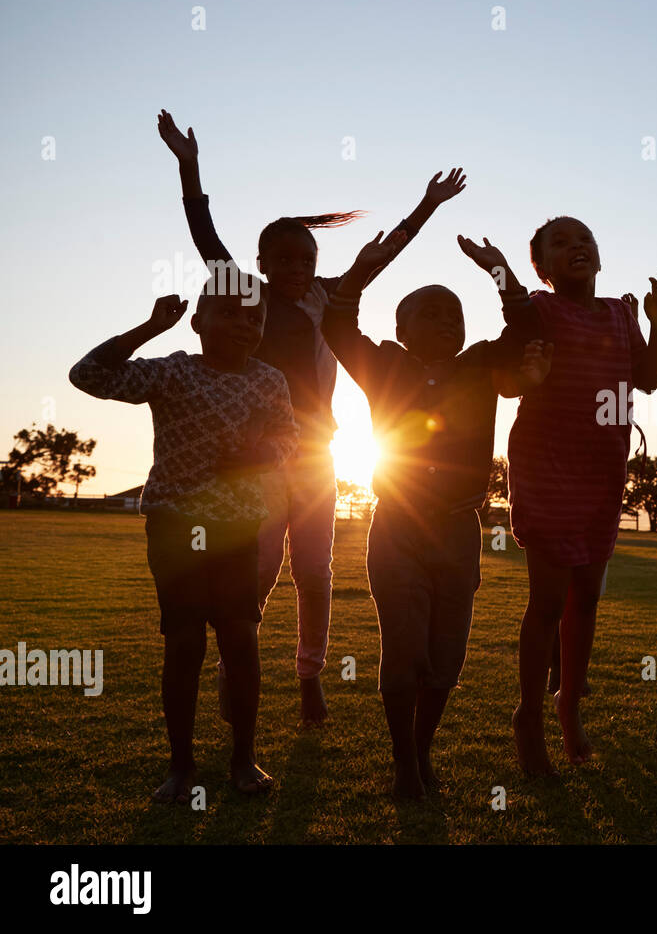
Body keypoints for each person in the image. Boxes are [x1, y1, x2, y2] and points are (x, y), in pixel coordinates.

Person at [156, 108, 464, 724]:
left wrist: (427, 205)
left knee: (316, 575)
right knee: (260, 574)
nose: (298, 269)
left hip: (318, 455)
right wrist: (189, 169)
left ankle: (309, 675)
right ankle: (231, 669)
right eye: (286, 260)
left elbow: (385, 257)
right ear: (264, 263)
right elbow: (205, 240)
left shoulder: (330, 297)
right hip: (259, 462)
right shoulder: (251, 299)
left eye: (306, 258)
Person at [321, 229, 551, 798]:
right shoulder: (382, 365)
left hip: (457, 530)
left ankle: (421, 753)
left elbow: (526, 330)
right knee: (403, 651)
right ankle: (404, 762)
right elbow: (335, 325)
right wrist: (363, 270)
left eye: (455, 313)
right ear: (401, 329)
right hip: (397, 526)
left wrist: (499, 270)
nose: (448, 319)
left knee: (445, 658)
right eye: (431, 312)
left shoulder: (479, 366)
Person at [458, 223, 657, 775]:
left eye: (584, 239)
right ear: (542, 270)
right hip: (548, 465)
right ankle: (528, 715)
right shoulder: (539, 308)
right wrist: (498, 269)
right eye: (559, 244)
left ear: (599, 255)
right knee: (549, 602)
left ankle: (568, 706)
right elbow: (515, 336)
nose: (576, 246)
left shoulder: (621, 314)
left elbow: (646, 379)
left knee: (587, 600)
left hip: (604, 471)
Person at [69, 289, 297, 801]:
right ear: (197, 322)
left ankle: (243, 759)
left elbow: (290, 437)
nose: (244, 324)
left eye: (255, 317)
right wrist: (149, 329)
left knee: (241, 641)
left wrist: (262, 455)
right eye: (230, 314)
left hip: (238, 528)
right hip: (176, 524)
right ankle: (181, 766)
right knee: (185, 644)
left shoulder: (268, 380)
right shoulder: (173, 371)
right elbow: (87, 375)